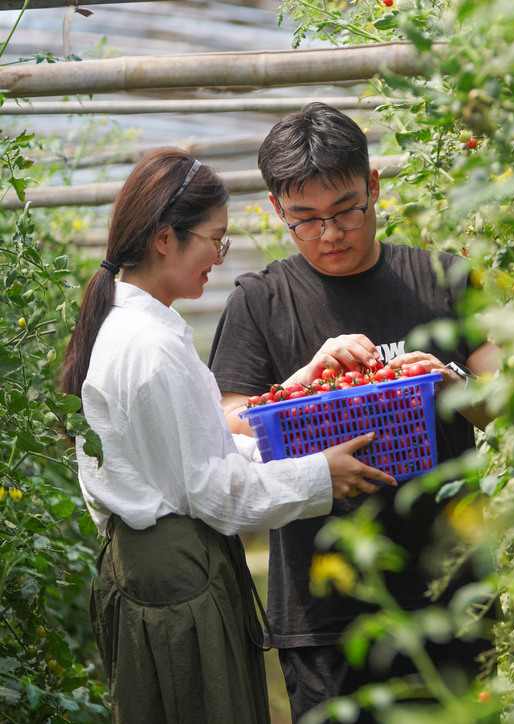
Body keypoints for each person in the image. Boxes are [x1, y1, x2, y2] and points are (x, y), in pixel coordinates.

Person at [60, 148, 398, 723]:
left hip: (168, 571)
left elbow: (204, 441)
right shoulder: (149, 346)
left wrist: (296, 393)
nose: (219, 258)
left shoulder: (137, 328)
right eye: (215, 241)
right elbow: (213, 491)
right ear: (165, 239)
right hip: (175, 580)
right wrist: (321, 476)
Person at [207, 102, 501, 721]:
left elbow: (505, 402)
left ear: (373, 185)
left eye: (346, 210)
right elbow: (227, 425)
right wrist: (302, 380)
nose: (330, 234)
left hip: (450, 591)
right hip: (324, 611)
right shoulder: (260, 302)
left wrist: (449, 381)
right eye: (306, 220)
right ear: (277, 210)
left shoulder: (443, 279)